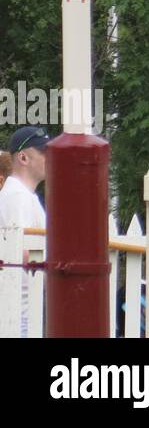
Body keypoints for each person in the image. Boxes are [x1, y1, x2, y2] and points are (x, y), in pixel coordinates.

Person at [0, 127, 50, 337]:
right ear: (23, 158)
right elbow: (20, 249)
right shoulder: (17, 197)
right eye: (45, 152)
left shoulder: (23, 195)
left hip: (22, 311)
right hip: (16, 315)